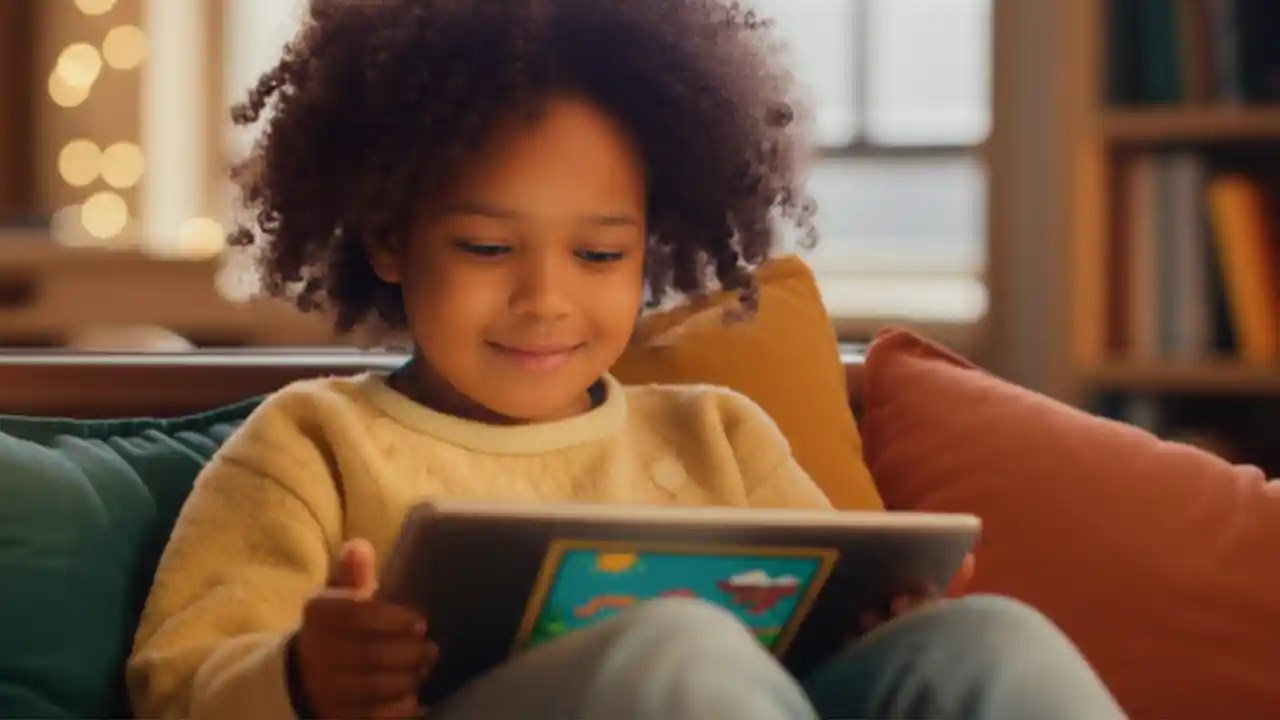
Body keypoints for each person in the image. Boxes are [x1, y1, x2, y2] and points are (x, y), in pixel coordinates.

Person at [127, 1, 1126, 718]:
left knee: (990, 639)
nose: (545, 297)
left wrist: (883, 624)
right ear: (388, 239)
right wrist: (302, 674)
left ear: (651, 243)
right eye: (485, 248)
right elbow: (177, 683)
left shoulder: (719, 436)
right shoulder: (312, 444)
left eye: (599, 254)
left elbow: (830, 636)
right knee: (678, 647)